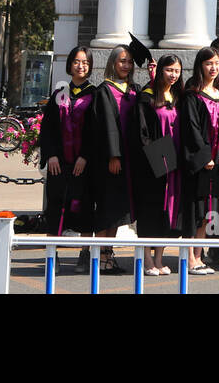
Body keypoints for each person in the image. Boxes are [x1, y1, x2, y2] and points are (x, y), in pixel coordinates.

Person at [82, 45, 140, 273]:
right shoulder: (105, 90)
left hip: (129, 159)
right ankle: (100, 257)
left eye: (129, 62)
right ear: (113, 63)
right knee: (107, 208)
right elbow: (106, 127)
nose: (126, 65)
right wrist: (113, 155)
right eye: (122, 61)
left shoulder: (134, 89)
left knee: (118, 212)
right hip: (112, 161)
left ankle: (108, 254)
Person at [39, 46, 94, 271]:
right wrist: (51, 154)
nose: (80, 66)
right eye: (76, 62)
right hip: (59, 164)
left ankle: (84, 252)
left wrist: (85, 156)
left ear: (90, 67)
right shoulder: (59, 94)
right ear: (70, 65)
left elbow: (96, 130)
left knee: (85, 207)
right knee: (55, 205)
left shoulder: (95, 94)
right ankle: (52, 254)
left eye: (85, 63)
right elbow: (48, 128)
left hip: (84, 164)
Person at [180, 48, 219, 275]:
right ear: (200, 66)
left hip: (218, 164)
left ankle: (199, 256)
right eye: (208, 63)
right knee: (195, 210)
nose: (213, 67)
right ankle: (190, 257)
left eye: (216, 63)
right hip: (199, 164)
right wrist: (204, 157)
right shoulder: (193, 95)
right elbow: (191, 128)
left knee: (209, 212)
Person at [135, 54, 184, 276]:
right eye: (169, 70)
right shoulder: (146, 96)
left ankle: (159, 258)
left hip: (173, 160)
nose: (173, 74)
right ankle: (146, 259)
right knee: (150, 209)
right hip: (152, 161)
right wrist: (155, 159)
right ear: (160, 70)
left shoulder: (177, 96)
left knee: (168, 210)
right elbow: (142, 132)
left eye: (177, 70)